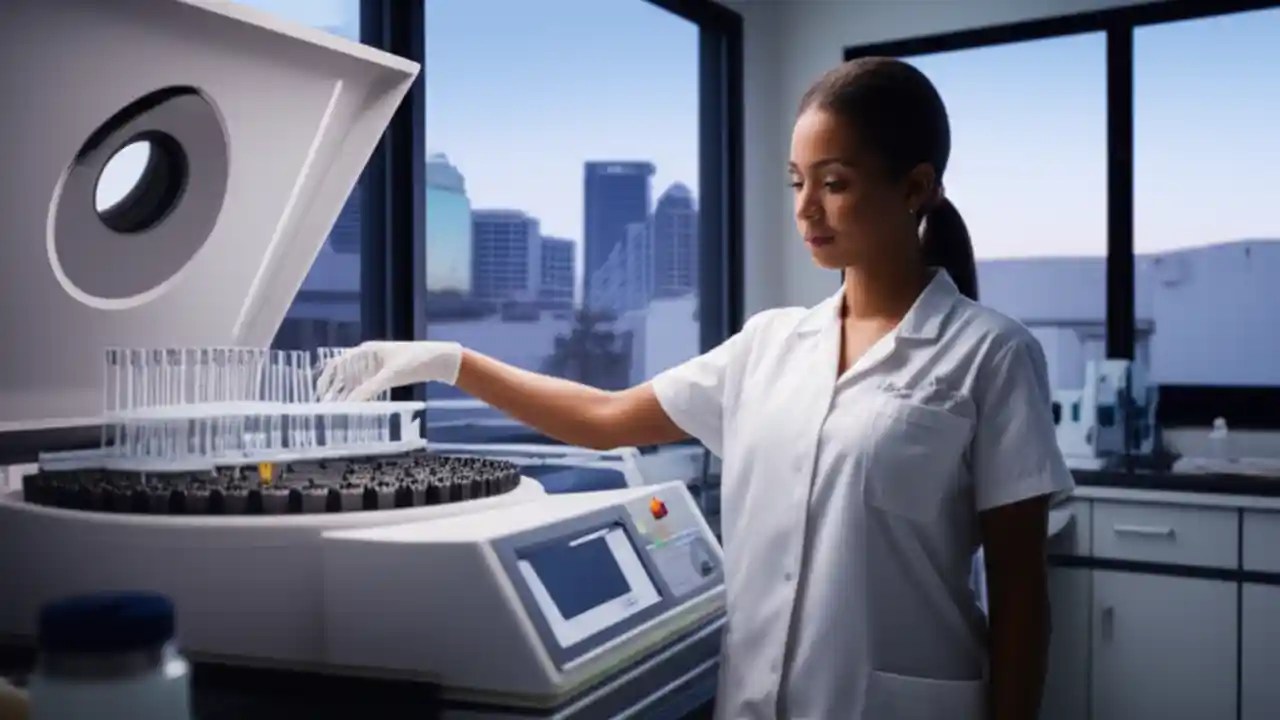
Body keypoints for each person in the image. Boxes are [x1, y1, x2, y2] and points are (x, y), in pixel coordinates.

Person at [317, 57, 1074, 720]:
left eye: (835, 184)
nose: (806, 209)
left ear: (916, 189)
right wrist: (451, 360)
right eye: (797, 182)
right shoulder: (770, 345)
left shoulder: (991, 355)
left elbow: (1019, 598)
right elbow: (604, 417)